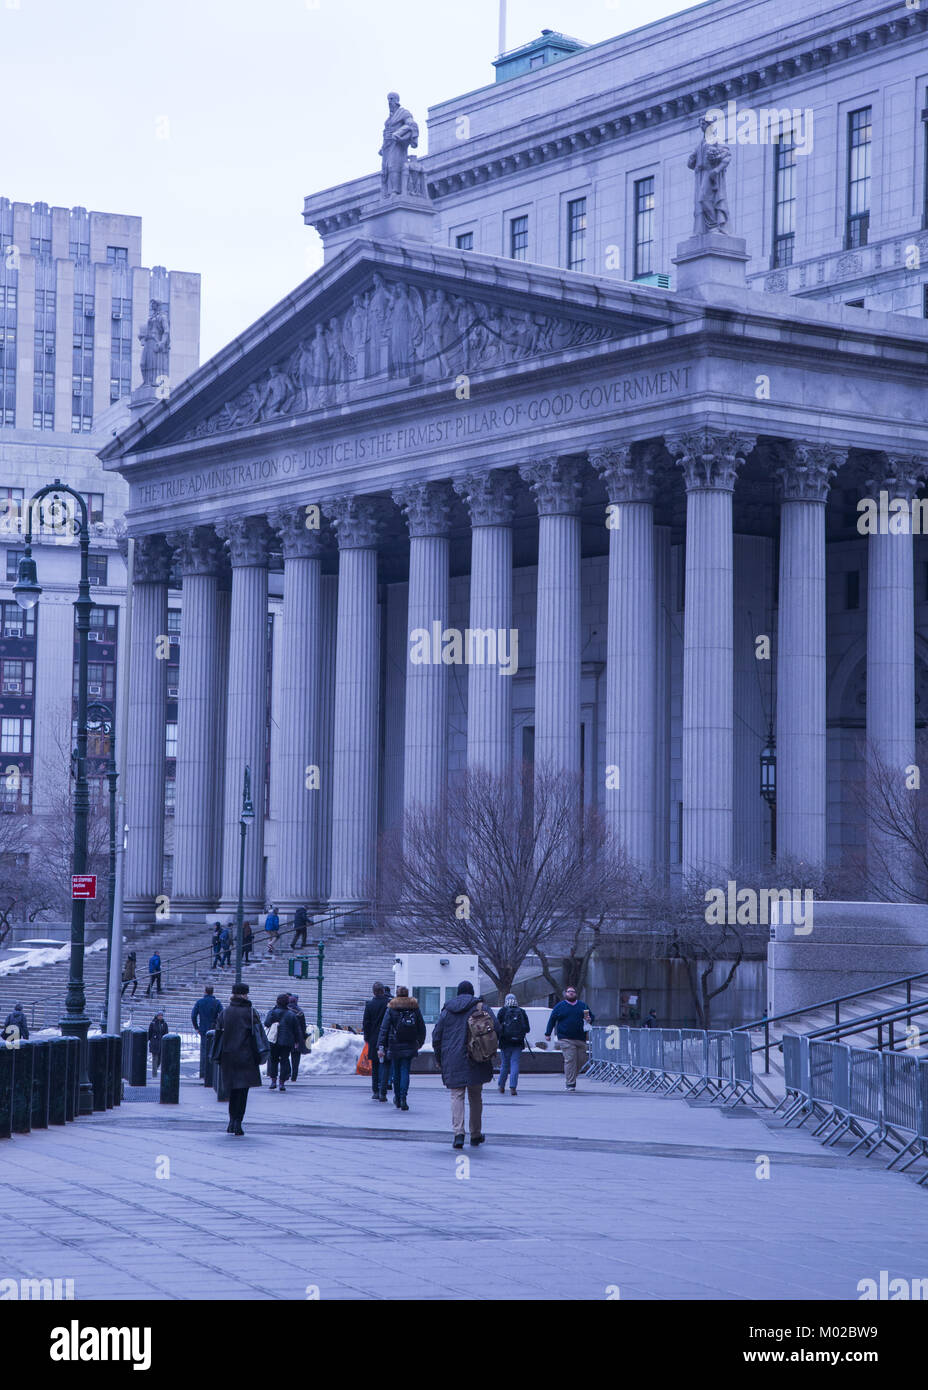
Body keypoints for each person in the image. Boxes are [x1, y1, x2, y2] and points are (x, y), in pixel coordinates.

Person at [431, 980, 498, 1149]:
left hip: (453, 1059)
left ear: (458, 993)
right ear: (472, 992)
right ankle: (475, 1134)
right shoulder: (481, 1008)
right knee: (475, 1096)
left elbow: (436, 1036)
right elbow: (497, 1028)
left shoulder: (447, 1010)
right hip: (477, 1057)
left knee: (457, 1095)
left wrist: (440, 1059)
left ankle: (458, 1133)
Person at [212, 982, 265, 1135]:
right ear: (244, 995)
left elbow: (218, 1035)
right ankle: (238, 1123)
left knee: (233, 1090)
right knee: (243, 1091)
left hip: (228, 1056)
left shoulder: (225, 1012)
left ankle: (231, 1121)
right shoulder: (250, 1012)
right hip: (246, 1056)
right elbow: (259, 1034)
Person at [376, 985, 425, 1110]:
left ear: (397, 995)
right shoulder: (414, 1008)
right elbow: (421, 1027)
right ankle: (403, 1098)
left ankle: (397, 1098)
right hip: (409, 1044)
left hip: (394, 1044)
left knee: (396, 1072)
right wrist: (419, 1042)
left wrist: (381, 1045)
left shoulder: (391, 1007)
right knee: (405, 1071)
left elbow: (384, 1028)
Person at [544, 987, 595, 1092]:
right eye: (569, 992)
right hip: (565, 1038)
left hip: (580, 1038)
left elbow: (591, 1017)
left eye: (573, 992)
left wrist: (590, 1019)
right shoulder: (560, 1006)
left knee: (581, 1060)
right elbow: (552, 1020)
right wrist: (548, 1033)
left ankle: (572, 1077)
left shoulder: (582, 1005)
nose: (571, 993)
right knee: (570, 1059)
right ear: (565, 994)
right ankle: (570, 1083)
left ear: (576, 994)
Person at [264, 992, 301, 1092]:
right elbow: (296, 1029)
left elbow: (266, 1023)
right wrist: (297, 1041)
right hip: (287, 1041)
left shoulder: (272, 1012)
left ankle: (273, 1081)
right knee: (284, 1060)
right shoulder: (291, 1014)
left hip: (274, 1040)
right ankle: (282, 1083)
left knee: (273, 1060)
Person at [496, 993, 530, 1096]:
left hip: (505, 1042)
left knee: (505, 1064)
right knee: (515, 1064)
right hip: (518, 1043)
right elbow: (527, 1029)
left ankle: (501, 1086)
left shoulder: (502, 1011)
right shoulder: (522, 1012)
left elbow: (497, 1027)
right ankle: (513, 1087)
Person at [362, 981, 391, 1102]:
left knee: (374, 1065)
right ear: (383, 991)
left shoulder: (369, 1005)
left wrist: (367, 1037)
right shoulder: (388, 1004)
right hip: (386, 1038)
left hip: (373, 1038)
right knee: (385, 1065)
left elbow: (366, 1023)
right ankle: (383, 1092)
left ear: (374, 992)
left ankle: (375, 1090)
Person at [288, 994, 308, 1081]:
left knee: (285, 1056)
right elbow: (303, 1026)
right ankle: (294, 1075)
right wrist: (303, 1037)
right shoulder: (300, 1011)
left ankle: (286, 1073)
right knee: (296, 1057)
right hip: (297, 1037)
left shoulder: (285, 1010)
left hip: (286, 1037)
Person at [148, 1012, 168, 1077]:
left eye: (161, 1015)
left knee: (160, 1059)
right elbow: (149, 1033)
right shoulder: (153, 1023)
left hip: (161, 1043)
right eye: (159, 1015)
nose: (160, 1016)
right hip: (154, 1043)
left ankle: (155, 1069)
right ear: (156, 1016)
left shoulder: (164, 1024)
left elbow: (166, 1033)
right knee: (155, 1058)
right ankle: (154, 1073)